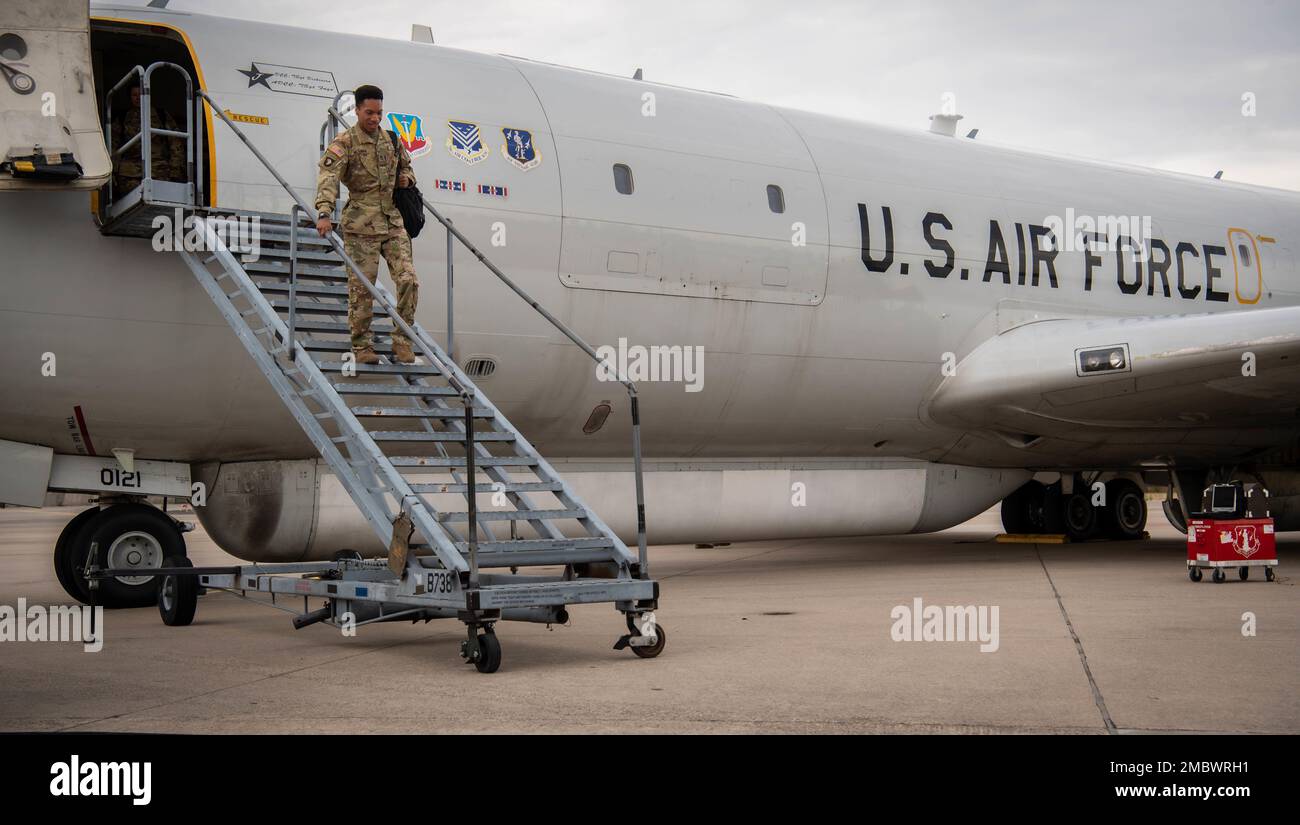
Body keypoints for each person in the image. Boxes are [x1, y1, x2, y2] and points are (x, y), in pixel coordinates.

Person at [314, 84, 419, 365]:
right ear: (357, 110)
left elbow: (407, 167)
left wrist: (407, 178)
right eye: (369, 112)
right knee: (362, 288)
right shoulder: (345, 142)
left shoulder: (392, 140)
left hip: (392, 221)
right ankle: (362, 347)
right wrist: (324, 212)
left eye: (379, 113)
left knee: (409, 279)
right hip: (361, 224)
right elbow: (328, 175)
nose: (375, 118)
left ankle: (402, 340)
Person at [111, 80, 185, 195]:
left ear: (147, 95)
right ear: (130, 97)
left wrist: (175, 169)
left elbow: (175, 142)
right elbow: (112, 144)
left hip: (158, 170)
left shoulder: (161, 115)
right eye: (134, 95)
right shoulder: (122, 118)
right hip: (129, 174)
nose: (138, 98)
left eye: (140, 94)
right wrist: (113, 171)